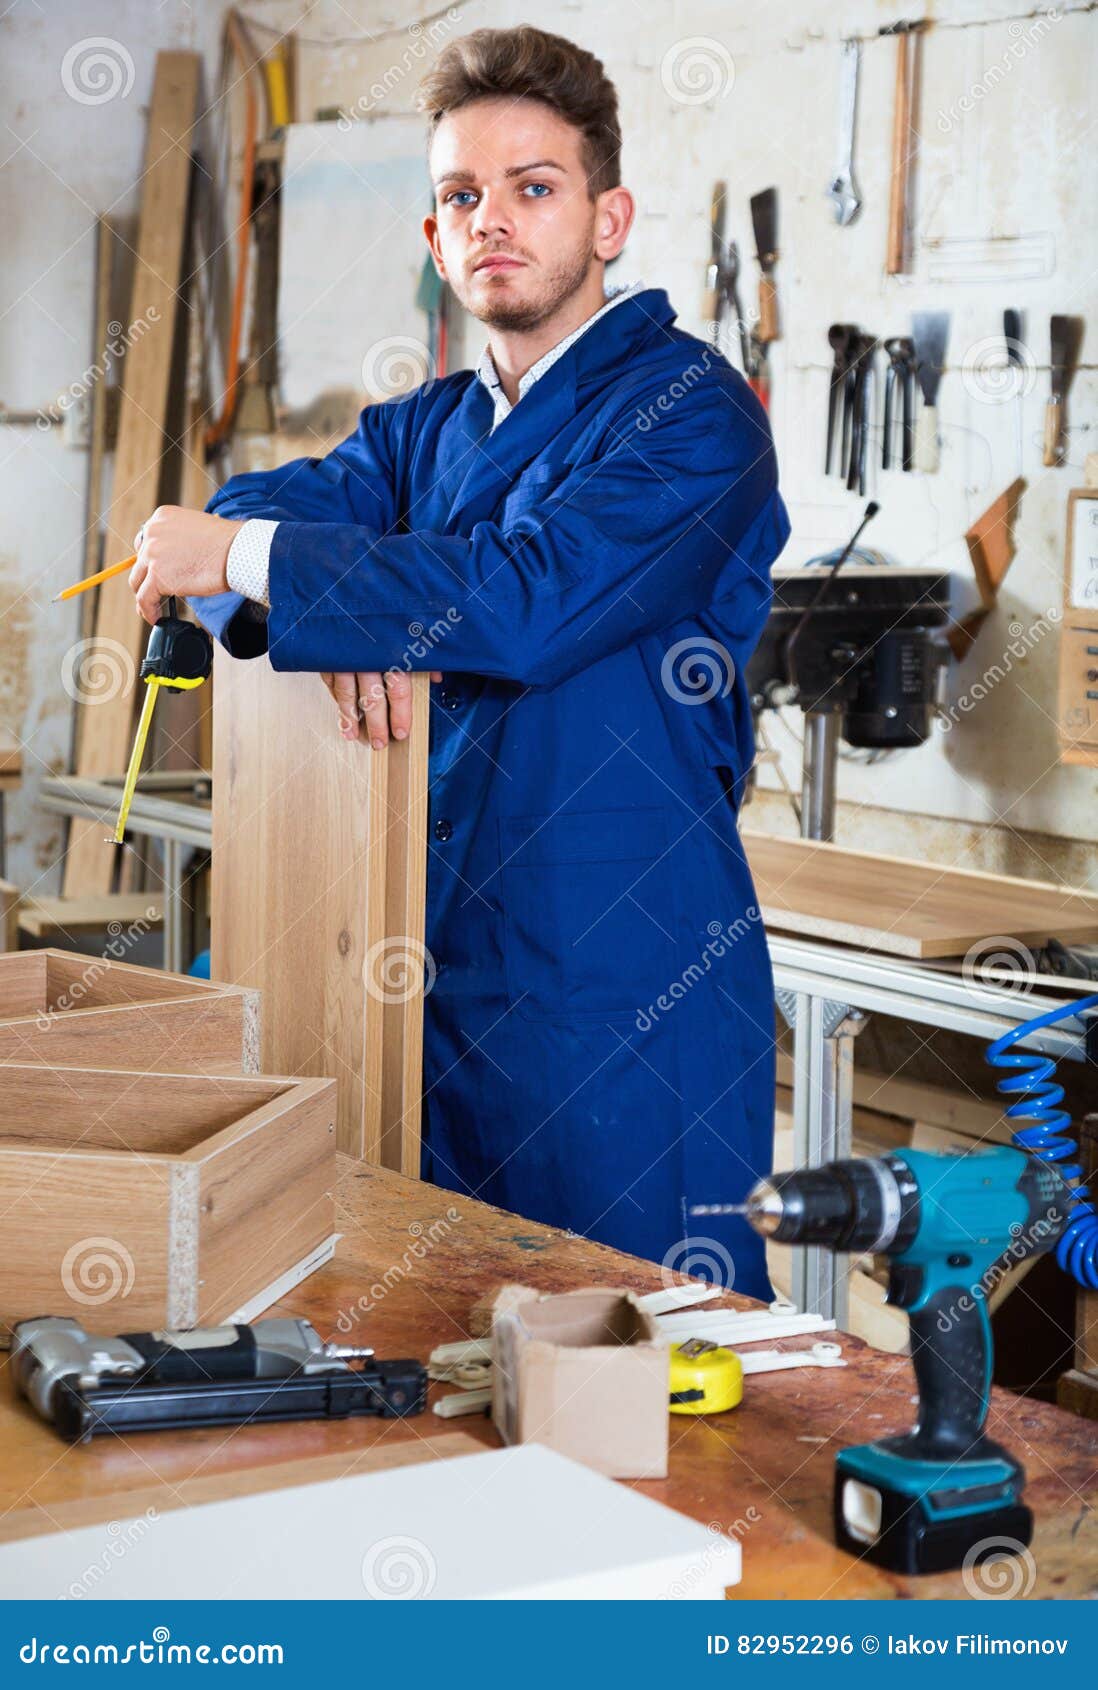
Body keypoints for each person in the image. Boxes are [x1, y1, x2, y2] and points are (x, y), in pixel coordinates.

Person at [129, 25, 790, 1299]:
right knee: (433, 1366)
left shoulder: (693, 416)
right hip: (425, 987)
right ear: (435, 241)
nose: (492, 220)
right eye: (459, 196)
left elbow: (530, 598)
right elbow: (253, 509)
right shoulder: (422, 430)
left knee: (634, 1384)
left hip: (618, 997)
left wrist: (272, 569)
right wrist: (299, 610)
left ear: (608, 219)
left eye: (533, 188)